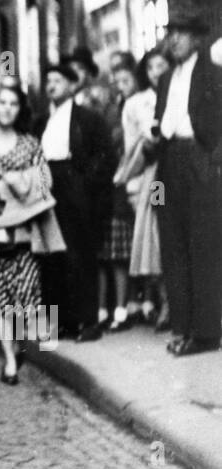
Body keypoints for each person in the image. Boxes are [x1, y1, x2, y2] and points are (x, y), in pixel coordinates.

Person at [0, 81, 61, 384]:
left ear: (20, 109)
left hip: (22, 228)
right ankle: (9, 359)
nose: (7, 108)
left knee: (25, 292)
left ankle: (21, 344)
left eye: (13, 103)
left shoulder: (29, 144)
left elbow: (45, 182)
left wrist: (13, 183)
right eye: (1, 103)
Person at [150, 7, 222, 358]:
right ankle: (182, 327)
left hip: (201, 161)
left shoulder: (213, 74)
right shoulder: (165, 79)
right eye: (170, 32)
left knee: (203, 246)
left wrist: (212, 162)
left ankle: (207, 332)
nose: (173, 39)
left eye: (181, 32)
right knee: (173, 245)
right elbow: (160, 122)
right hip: (168, 165)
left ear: (196, 38)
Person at [39, 63, 115, 341]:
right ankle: (65, 321)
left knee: (79, 253)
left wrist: (83, 183)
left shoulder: (87, 118)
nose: (51, 85)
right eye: (48, 80)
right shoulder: (42, 120)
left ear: (72, 86)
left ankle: (89, 322)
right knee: (53, 256)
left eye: (57, 80)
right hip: (48, 184)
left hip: (75, 185)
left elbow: (105, 155)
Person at [128, 45, 171, 328]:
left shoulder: (178, 93)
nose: (157, 72)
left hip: (182, 170)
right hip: (155, 176)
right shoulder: (137, 104)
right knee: (157, 232)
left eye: (161, 65)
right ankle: (165, 300)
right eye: (151, 67)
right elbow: (129, 149)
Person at [103, 52, 144, 332]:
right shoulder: (114, 107)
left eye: (125, 80)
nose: (121, 86)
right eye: (116, 81)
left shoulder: (141, 103)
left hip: (146, 178)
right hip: (121, 180)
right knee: (124, 241)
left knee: (146, 233)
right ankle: (129, 302)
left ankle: (146, 300)